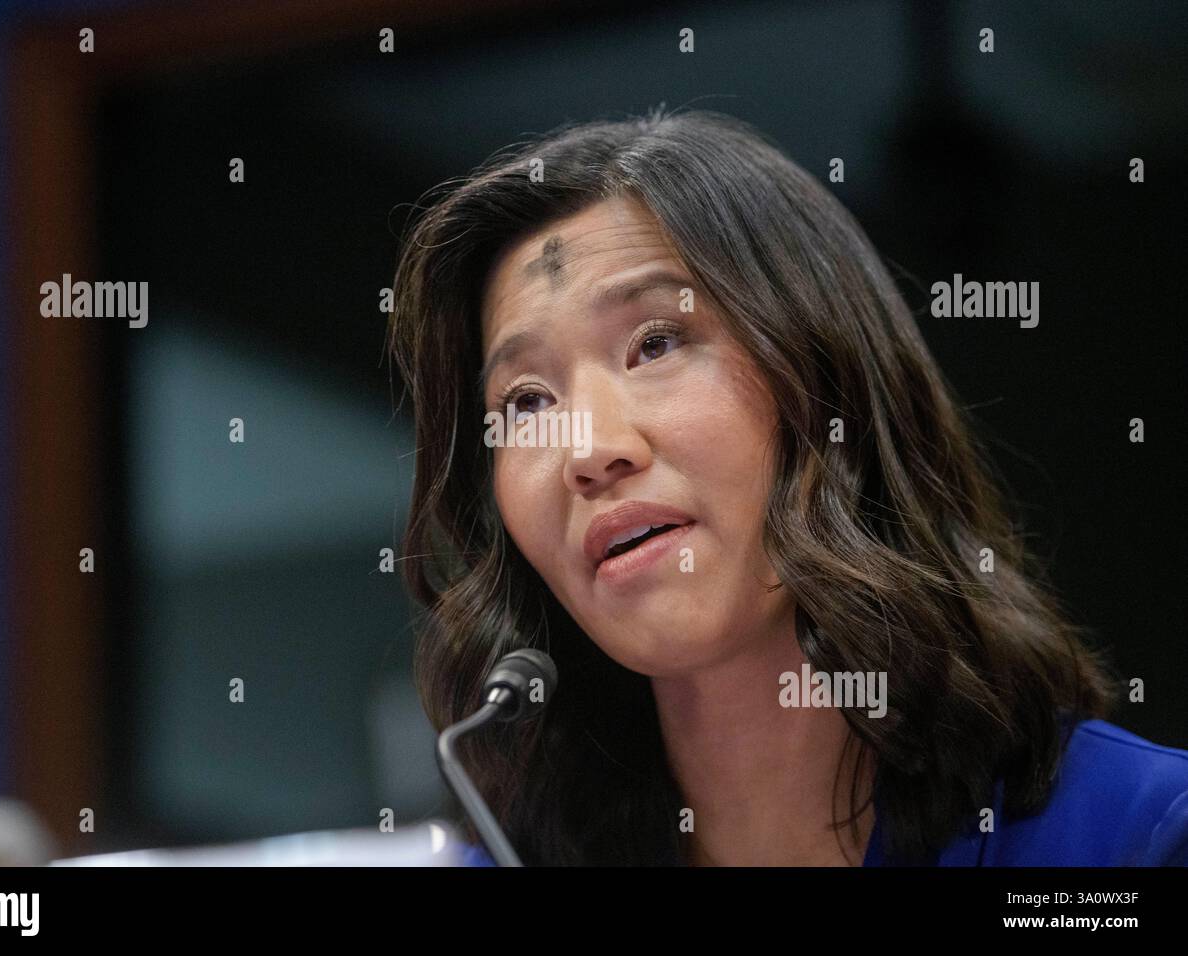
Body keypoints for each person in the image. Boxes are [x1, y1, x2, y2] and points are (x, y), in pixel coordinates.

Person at [386, 108, 1188, 866]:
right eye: (526, 401)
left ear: (831, 384)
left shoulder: (1134, 837)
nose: (587, 450)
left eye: (656, 343)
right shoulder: (503, 856)